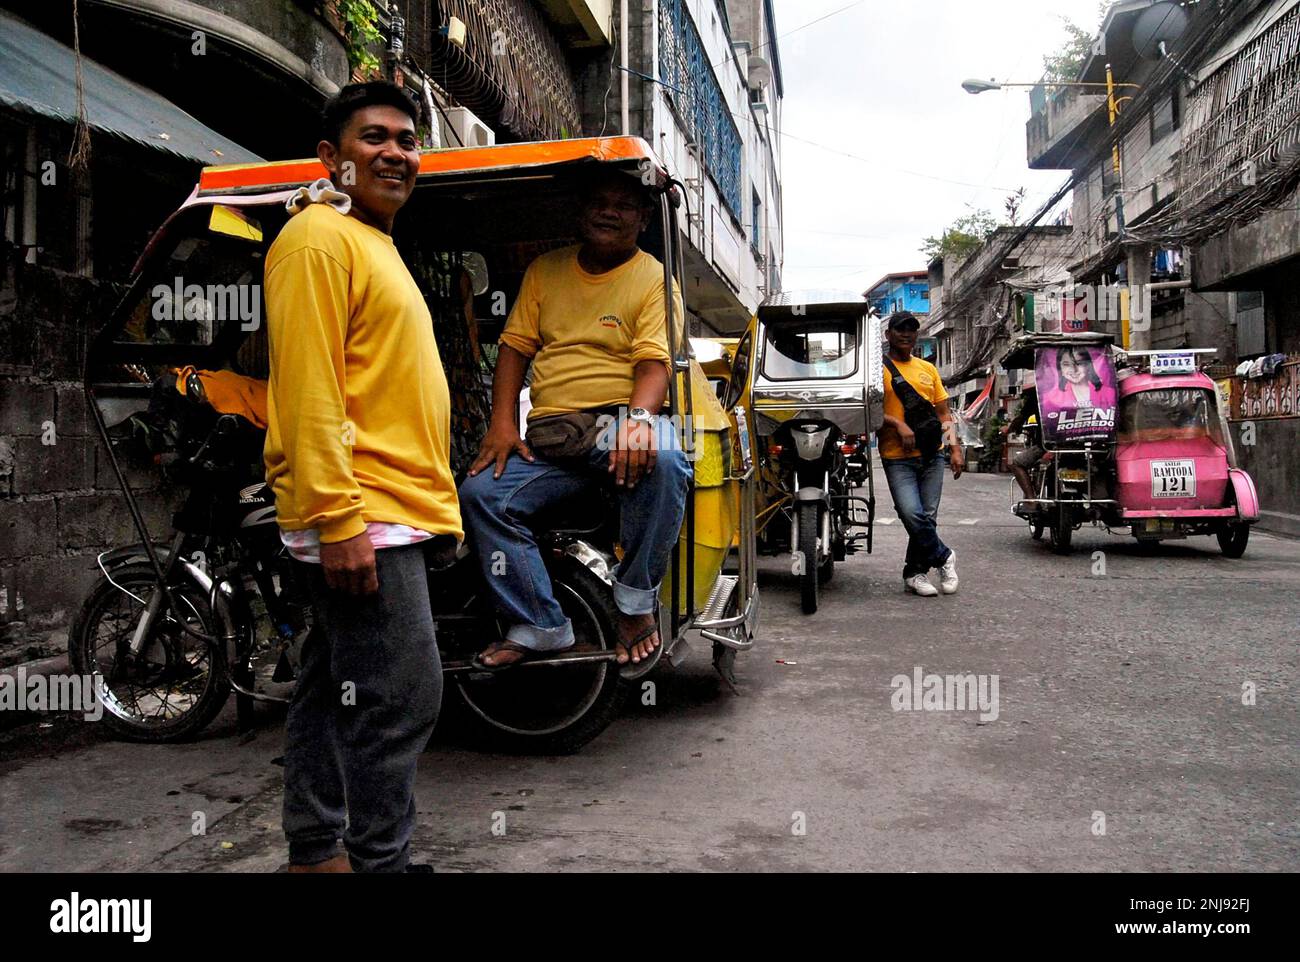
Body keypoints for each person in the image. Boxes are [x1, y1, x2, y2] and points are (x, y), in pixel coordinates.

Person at [263, 81, 462, 873]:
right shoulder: (317, 238)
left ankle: (315, 852)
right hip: (364, 512)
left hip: (388, 507)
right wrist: (339, 518)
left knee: (328, 685)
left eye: (408, 140)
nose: (395, 152)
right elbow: (309, 390)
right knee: (402, 697)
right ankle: (381, 862)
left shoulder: (371, 241)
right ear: (330, 158)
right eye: (374, 136)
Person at [458, 167, 690, 677]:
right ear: (579, 212)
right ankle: (540, 622)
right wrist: (501, 428)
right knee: (481, 495)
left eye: (624, 206)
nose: (609, 213)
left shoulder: (653, 278)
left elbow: (654, 364)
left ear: (642, 217)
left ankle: (633, 603)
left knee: (670, 456)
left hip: (617, 421)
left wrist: (638, 419)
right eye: (599, 202)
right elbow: (515, 349)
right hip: (553, 435)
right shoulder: (546, 270)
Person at [877, 311, 963, 597]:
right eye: (900, 329)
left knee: (927, 515)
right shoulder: (877, 370)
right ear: (888, 335)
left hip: (932, 454)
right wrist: (897, 423)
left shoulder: (928, 369)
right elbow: (869, 409)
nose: (906, 334)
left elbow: (943, 413)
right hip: (896, 456)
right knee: (911, 513)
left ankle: (915, 572)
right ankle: (944, 556)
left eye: (911, 330)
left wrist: (955, 448)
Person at [1003, 384, 1046, 500]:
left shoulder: (1039, 396)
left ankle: (1031, 499)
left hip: (1047, 446)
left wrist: (1008, 429)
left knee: (1017, 463)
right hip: (1080, 445)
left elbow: (1020, 418)